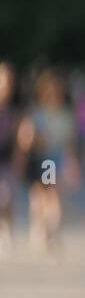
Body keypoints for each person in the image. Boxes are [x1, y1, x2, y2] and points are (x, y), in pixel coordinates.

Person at [21, 70, 79, 256]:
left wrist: (72, 163)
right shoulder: (37, 114)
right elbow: (27, 139)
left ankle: (52, 232)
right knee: (39, 199)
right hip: (39, 159)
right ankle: (40, 228)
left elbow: (69, 143)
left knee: (53, 198)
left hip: (54, 161)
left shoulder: (65, 115)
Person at [0, 62, 18, 256]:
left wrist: (18, 160)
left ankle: (7, 230)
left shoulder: (12, 110)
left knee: (6, 196)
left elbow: (16, 138)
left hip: (4, 158)